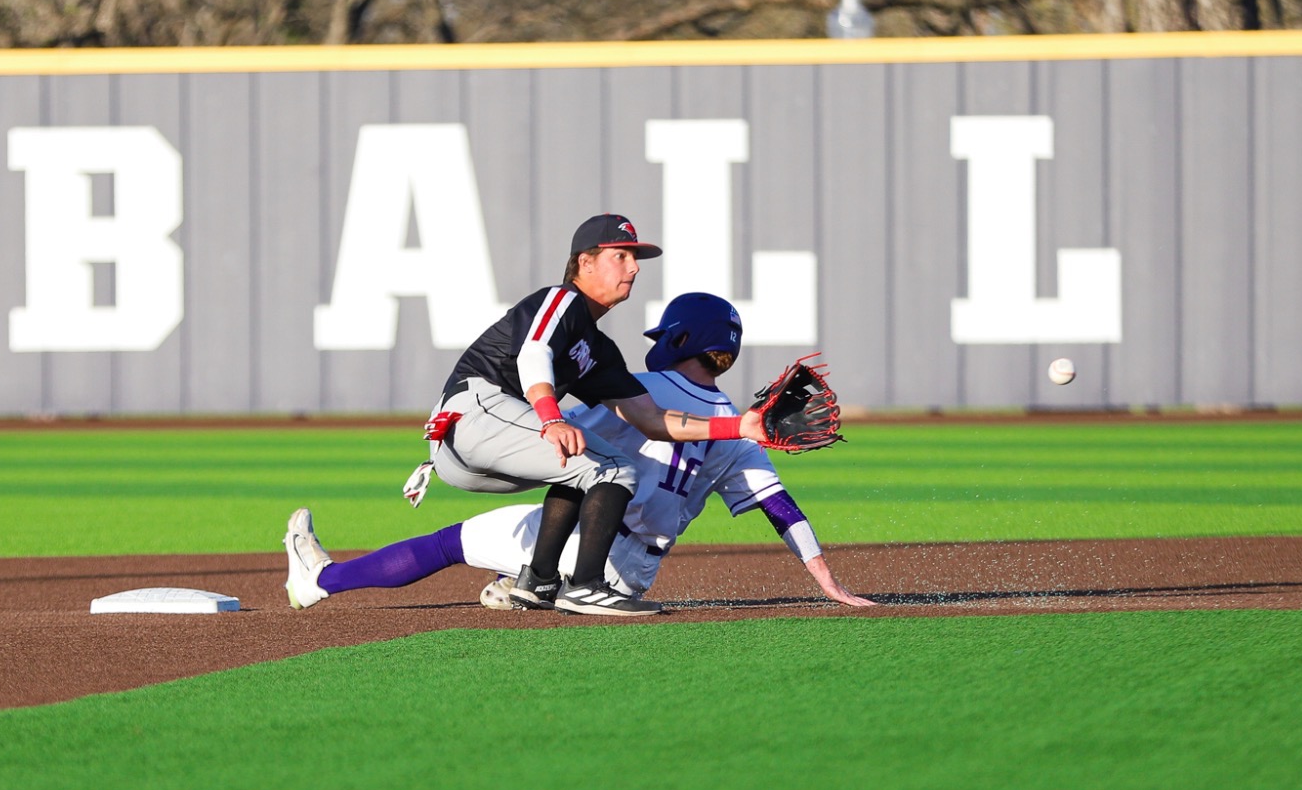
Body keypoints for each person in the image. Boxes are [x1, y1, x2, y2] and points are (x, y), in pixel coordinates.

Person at [283, 293, 873, 614]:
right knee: (571, 494)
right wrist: (828, 582)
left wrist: (451, 453)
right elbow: (780, 509)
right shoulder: (741, 430)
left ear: (680, 340)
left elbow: (549, 439)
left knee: (448, 543)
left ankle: (322, 580)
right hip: (636, 574)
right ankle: (527, 581)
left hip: (590, 544)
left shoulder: (641, 389)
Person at [398, 215, 771, 617]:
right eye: (621, 256)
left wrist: (740, 426)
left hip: (479, 443)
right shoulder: (562, 301)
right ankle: (585, 586)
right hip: (474, 412)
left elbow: (651, 419)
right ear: (585, 262)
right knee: (615, 469)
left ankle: (539, 580)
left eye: (635, 258)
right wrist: (551, 418)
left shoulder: (599, 351)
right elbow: (534, 353)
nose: (634, 267)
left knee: (585, 465)